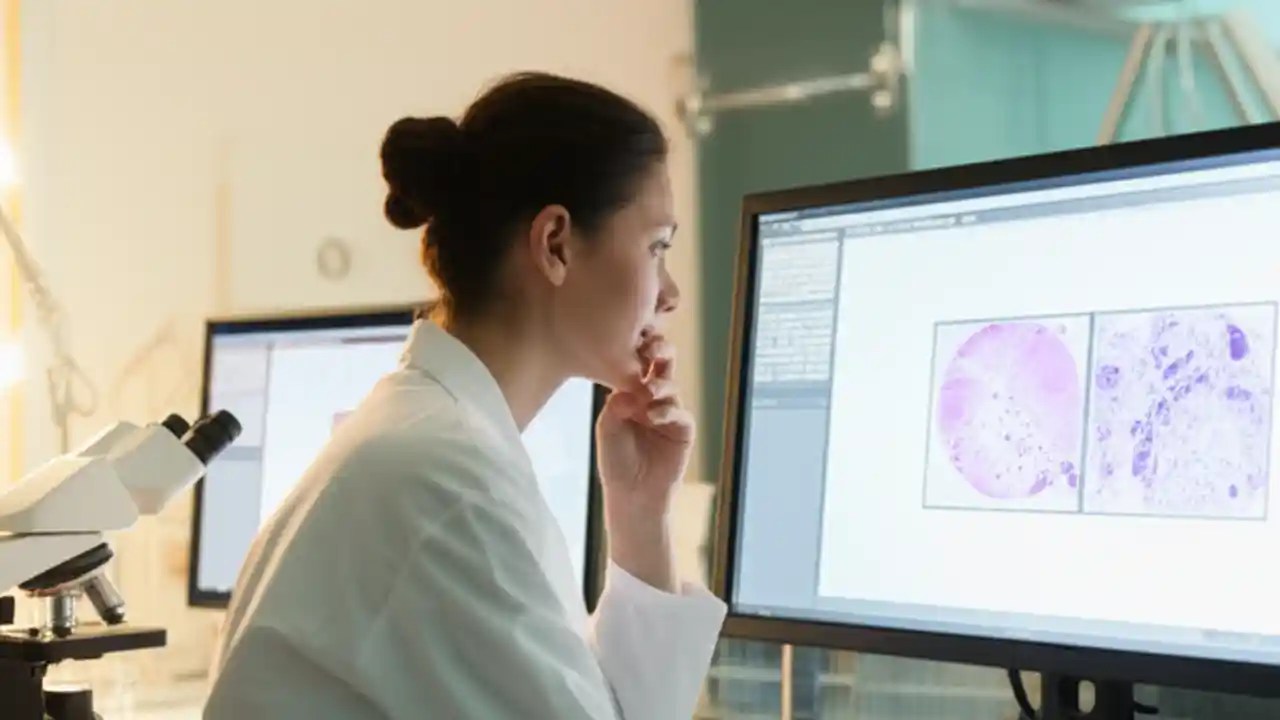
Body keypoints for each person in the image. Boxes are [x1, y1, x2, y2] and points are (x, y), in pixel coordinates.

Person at [203, 72, 727, 719]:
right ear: (555, 243)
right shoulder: (445, 482)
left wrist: (641, 513)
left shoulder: (436, 443)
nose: (669, 293)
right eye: (657, 248)